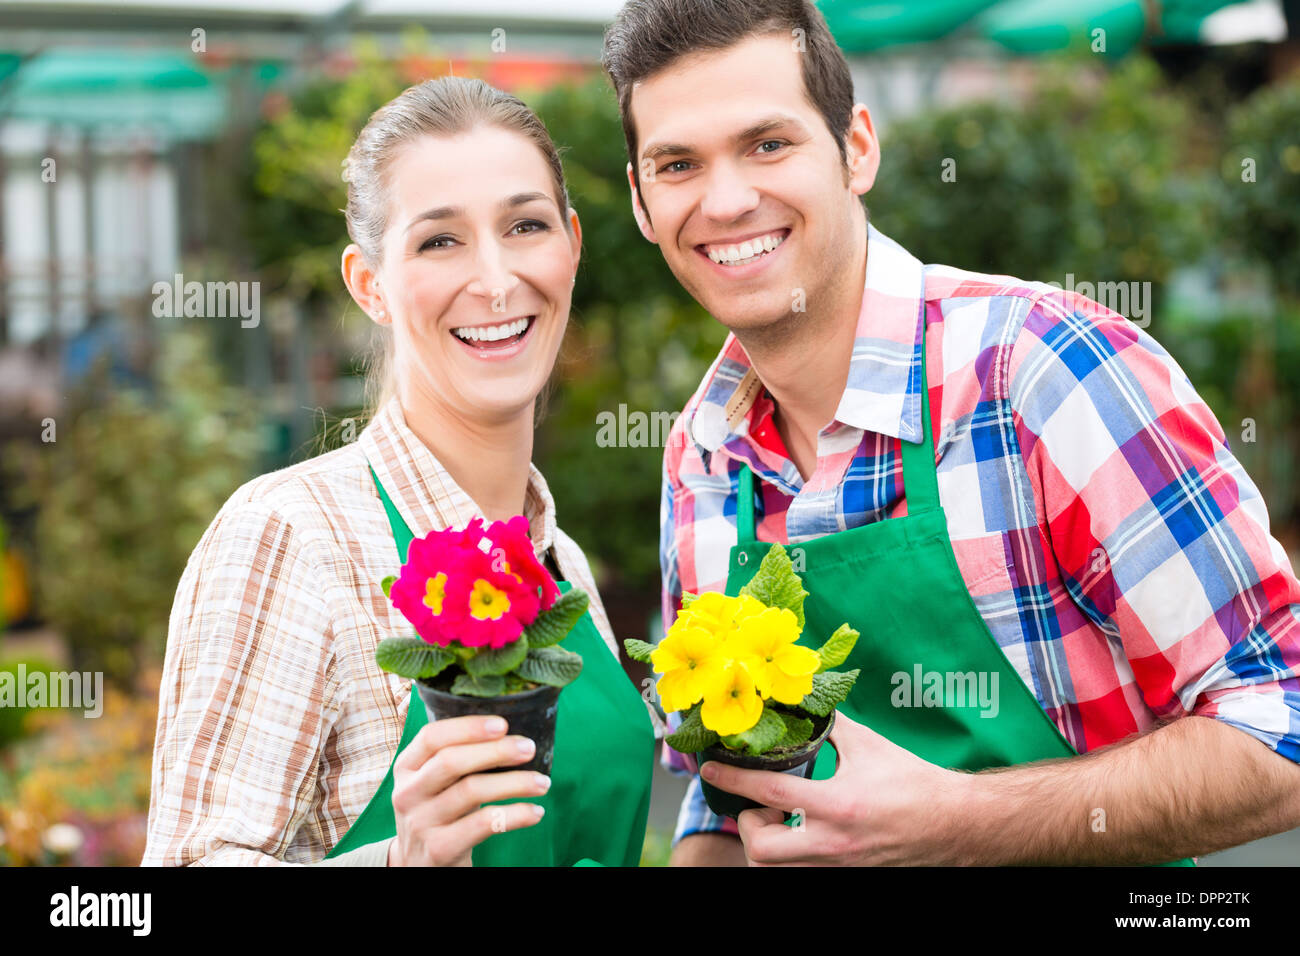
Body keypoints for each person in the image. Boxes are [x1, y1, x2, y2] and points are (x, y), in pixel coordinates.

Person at [601, 0, 1300, 865]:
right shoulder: (701, 456)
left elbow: (1281, 725)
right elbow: (720, 806)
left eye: (768, 144)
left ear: (857, 148)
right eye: (677, 164)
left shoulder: (1043, 373)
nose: (728, 199)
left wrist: (958, 823)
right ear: (639, 200)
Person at [143, 76, 662, 867]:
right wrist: (400, 861)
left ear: (573, 246)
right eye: (439, 241)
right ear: (369, 285)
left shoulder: (564, 566)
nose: (493, 280)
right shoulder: (294, 539)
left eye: (525, 225)